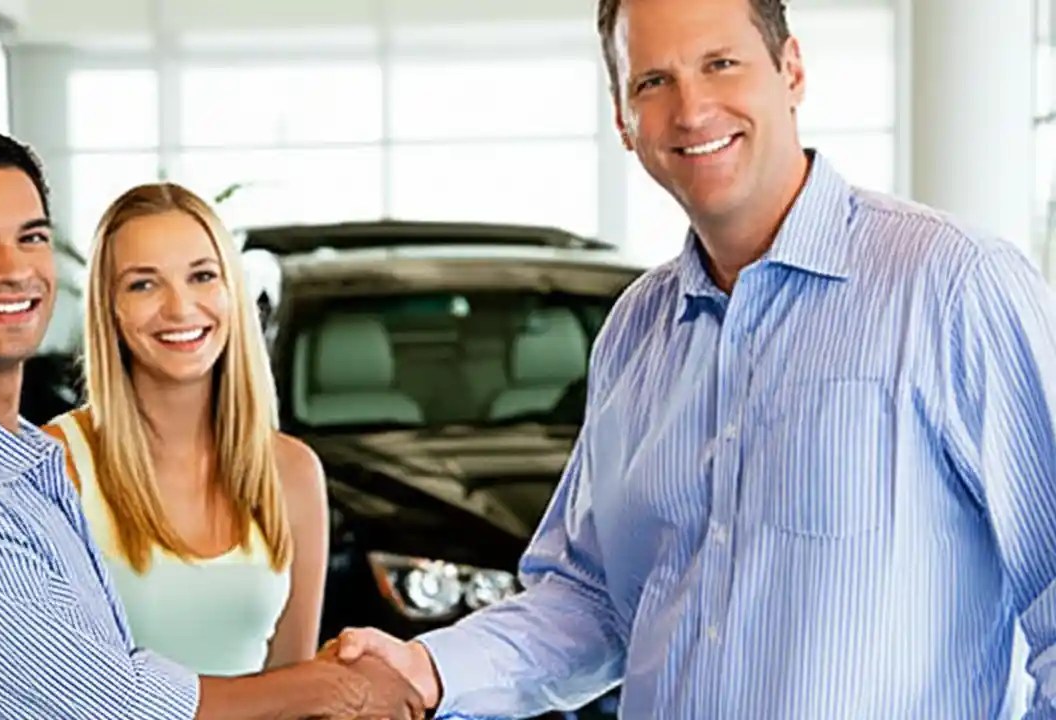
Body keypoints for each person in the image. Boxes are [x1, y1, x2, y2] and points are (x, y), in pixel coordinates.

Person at [330, 0, 1056, 717]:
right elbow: (594, 601)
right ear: (622, 118)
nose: (691, 109)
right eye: (654, 81)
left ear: (792, 70)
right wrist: (430, 670)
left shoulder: (955, 288)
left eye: (721, 64)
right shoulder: (635, 331)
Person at [0, 121, 421, 720]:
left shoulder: (17, 464)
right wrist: (332, 688)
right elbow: (112, 706)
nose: (12, 269)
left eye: (31, 237)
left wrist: (320, 690)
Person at [40, 182, 326, 677]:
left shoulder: (293, 471)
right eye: (143, 284)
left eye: (202, 276)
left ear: (232, 291)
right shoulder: (56, 466)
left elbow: (294, 689)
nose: (179, 308)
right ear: (109, 307)